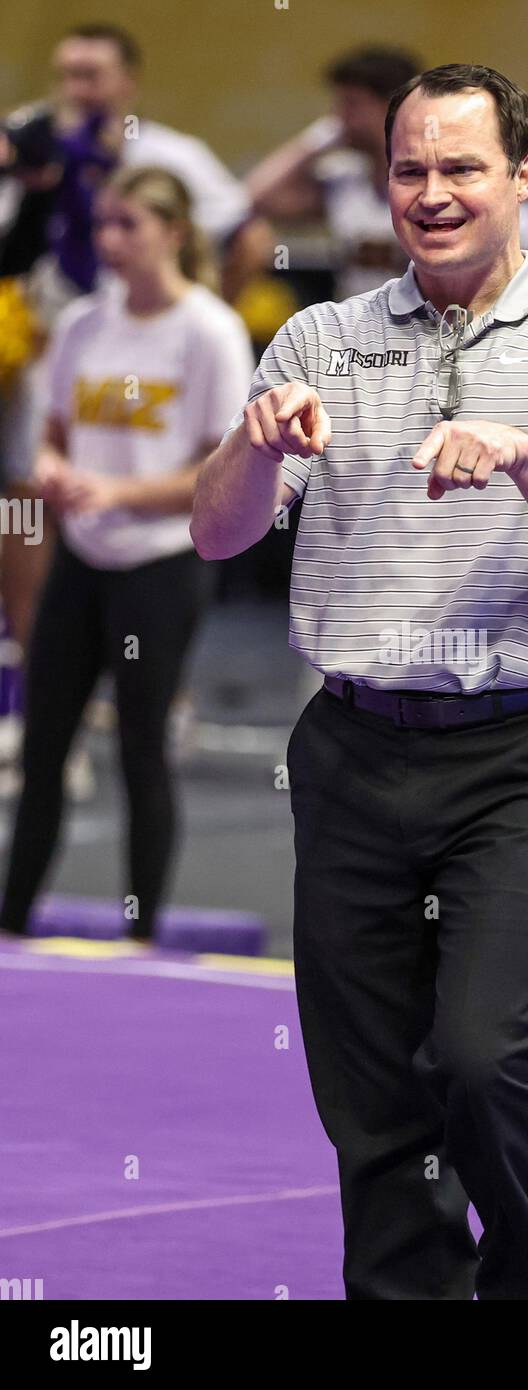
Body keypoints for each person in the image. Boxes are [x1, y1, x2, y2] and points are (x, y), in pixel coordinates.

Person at [192, 62, 528, 1300]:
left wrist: (521, 453)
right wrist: (249, 447)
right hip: (351, 747)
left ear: (520, 173)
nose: (432, 193)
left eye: (461, 167)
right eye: (410, 169)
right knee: (367, 1089)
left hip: (524, 750)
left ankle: (524, 1289)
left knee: (478, 1055)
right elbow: (215, 534)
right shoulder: (317, 339)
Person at [0, 165, 255, 944]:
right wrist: (50, 471)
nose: (108, 241)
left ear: (172, 233)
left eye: (127, 226)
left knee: (143, 746)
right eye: (103, 225)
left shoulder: (208, 330)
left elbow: (222, 471)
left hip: (161, 562)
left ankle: (140, 929)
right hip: (83, 558)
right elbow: (53, 434)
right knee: (45, 741)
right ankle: (11, 925)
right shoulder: (84, 322)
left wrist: (116, 494)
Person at [246, 44, 528, 317]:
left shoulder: (490, 203)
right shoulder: (342, 186)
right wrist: (322, 137)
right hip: (366, 346)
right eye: (409, 175)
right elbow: (255, 198)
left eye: (350, 106)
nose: (339, 117)